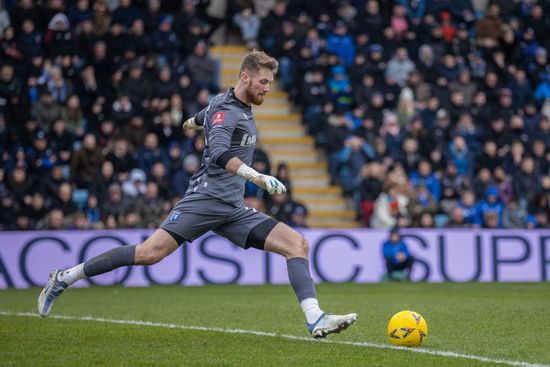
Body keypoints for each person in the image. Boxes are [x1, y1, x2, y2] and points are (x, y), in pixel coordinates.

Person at [38, 50, 357, 339]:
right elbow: (218, 151)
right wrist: (255, 175)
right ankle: (65, 276)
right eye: (263, 81)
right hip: (205, 200)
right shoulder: (229, 111)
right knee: (149, 253)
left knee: (297, 244)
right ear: (245, 76)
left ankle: (315, 318)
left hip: (232, 207)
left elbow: (204, 117)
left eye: (270, 83)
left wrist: (190, 124)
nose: (267, 88)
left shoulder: (226, 104)